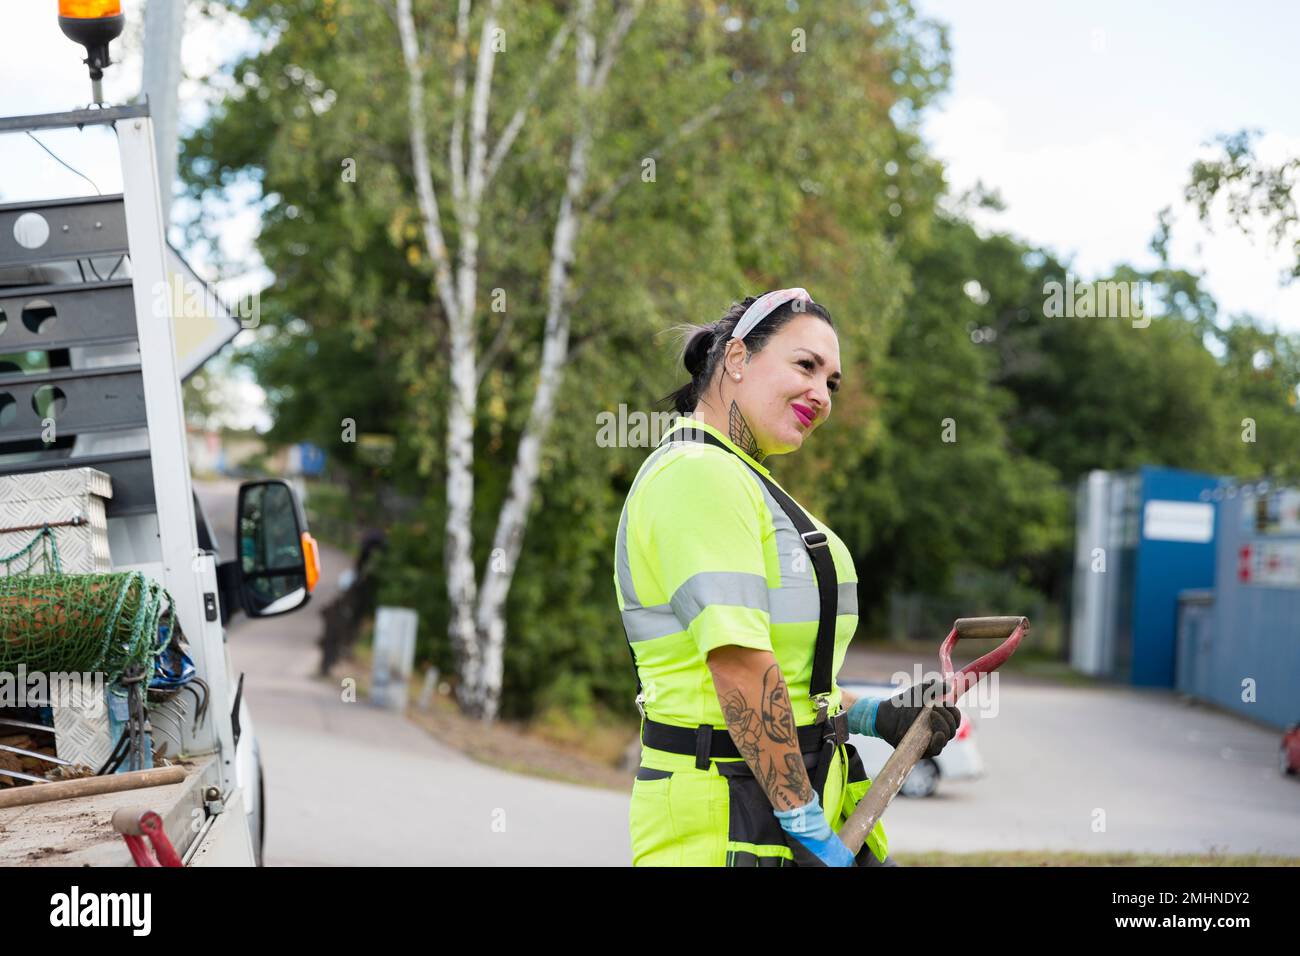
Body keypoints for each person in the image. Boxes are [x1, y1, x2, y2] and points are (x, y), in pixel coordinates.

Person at [614, 288, 961, 867]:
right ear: (737, 358)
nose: (821, 395)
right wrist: (804, 823)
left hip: (778, 807)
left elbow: (790, 685)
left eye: (832, 382)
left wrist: (876, 714)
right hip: (727, 822)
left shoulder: (742, 480)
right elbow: (741, 668)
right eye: (806, 365)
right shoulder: (699, 476)